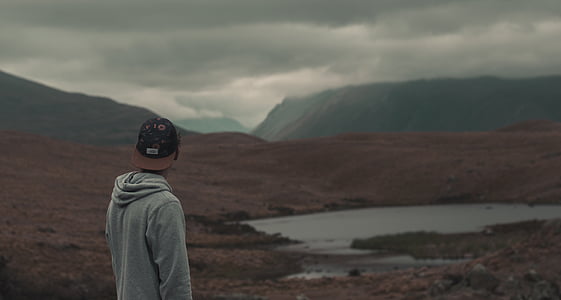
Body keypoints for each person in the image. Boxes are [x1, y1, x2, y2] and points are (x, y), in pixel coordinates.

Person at [106, 117, 193, 300]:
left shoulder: (117, 197)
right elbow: (175, 281)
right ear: (176, 152)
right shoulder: (165, 205)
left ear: (137, 151)